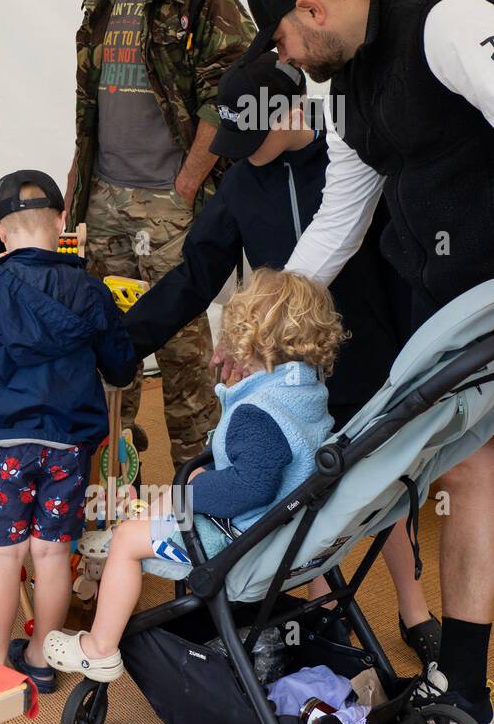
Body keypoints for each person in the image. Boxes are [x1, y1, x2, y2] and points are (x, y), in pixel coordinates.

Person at [243, 0, 494, 724]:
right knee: (465, 477)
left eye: (280, 37)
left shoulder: (445, 20)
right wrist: (263, 321)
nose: (283, 55)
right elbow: (341, 221)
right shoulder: (344, 92)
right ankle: (463, 688)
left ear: (311, 11)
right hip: (447, 299)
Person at [121, 52, 438, 665]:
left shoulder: (354, 158)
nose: (239, 153)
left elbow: (408, 263)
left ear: (291, 109)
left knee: (378, 487)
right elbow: (197, 274)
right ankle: (322, 617)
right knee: (300, 497)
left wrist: (416, 350)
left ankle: (413, 608)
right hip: (287, 377)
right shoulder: (242, 182)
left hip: (372, 358)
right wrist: (123, 339)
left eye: (249, 138)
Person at [45, 269, 344, 682]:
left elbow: (251, 486)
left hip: (245, 536)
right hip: (292, 527)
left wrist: (195, 487)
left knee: (141, 534)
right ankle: (133, 527)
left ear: (247, 334)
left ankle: (99, 647)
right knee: (182, 490)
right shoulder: (304, 390)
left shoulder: (259, 413)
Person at [65, 0, 256, 470]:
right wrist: (80, 172)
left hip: (170, 203)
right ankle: (110, 473)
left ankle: (200, 491)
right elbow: (92, 97)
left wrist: (189, 181)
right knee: (104, 340)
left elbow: (233, 91)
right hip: (104, 196)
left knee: (182, 352)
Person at [0, 171, 137, 691]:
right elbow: (121, 367)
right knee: (51, 552)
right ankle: (44, 659)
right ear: (63, 222)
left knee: (5, 554)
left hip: (3, 443)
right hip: (69, 444)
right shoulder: (92, 291)